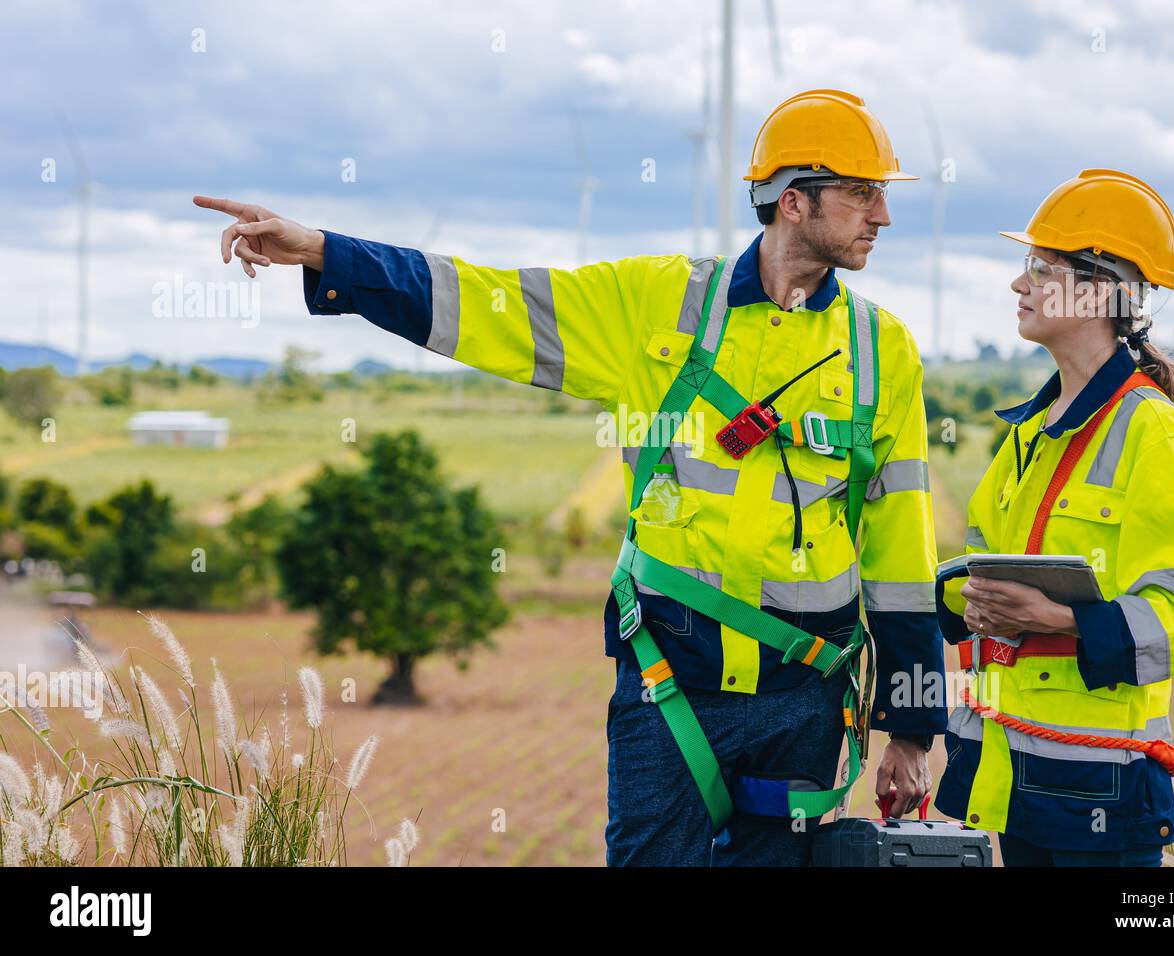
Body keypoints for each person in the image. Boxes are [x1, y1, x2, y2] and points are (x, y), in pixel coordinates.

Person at [195, 88, 947, 866]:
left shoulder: (882, 348)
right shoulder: (655, 304)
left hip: (807, 697)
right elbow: (485, 305)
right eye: (863, 193)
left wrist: (914, 729)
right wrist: (325, 252)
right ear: (793, 200)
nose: (882, 216)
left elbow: (901, 556)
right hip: (671, 683)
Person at [933, 169, 1174, 866]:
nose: (1019, 284)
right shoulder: (1030, 431)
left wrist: (1057, 620)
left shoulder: (1152, 431)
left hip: (1101, 786)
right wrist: (962, 600)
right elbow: (978, 561)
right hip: (1013, 774)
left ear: (1098, 290)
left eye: (1041, 267)